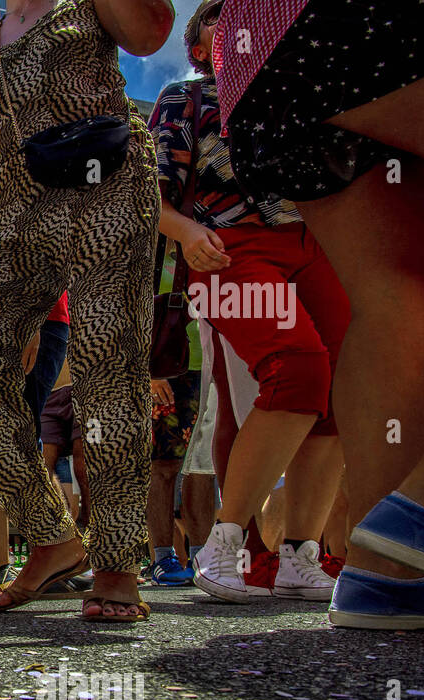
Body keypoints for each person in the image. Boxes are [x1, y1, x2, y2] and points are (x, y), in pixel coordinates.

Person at [0, 0, 174, 624]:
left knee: (106, 363)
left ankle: (117, 563)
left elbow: (150, 33)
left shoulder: (80, 5)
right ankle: (51, 537)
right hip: (13, 208)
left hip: (103, 179)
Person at [214, 0, 424, 629]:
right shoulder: (179, 101)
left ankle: (388, 571)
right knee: (300, 370)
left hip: (272, 55)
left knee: (402, 294)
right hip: (353, 26)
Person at [153, 0, 350, 605]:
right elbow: (148, 191)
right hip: (227, 244)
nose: (236, 16)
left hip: (315, 243)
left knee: (340, 391)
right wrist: (186, 232)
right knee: (296, 370)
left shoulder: (294, 88)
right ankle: (224, 542)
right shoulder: (186, 97)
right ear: (199, 47)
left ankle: (300, 553)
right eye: (216, 14)